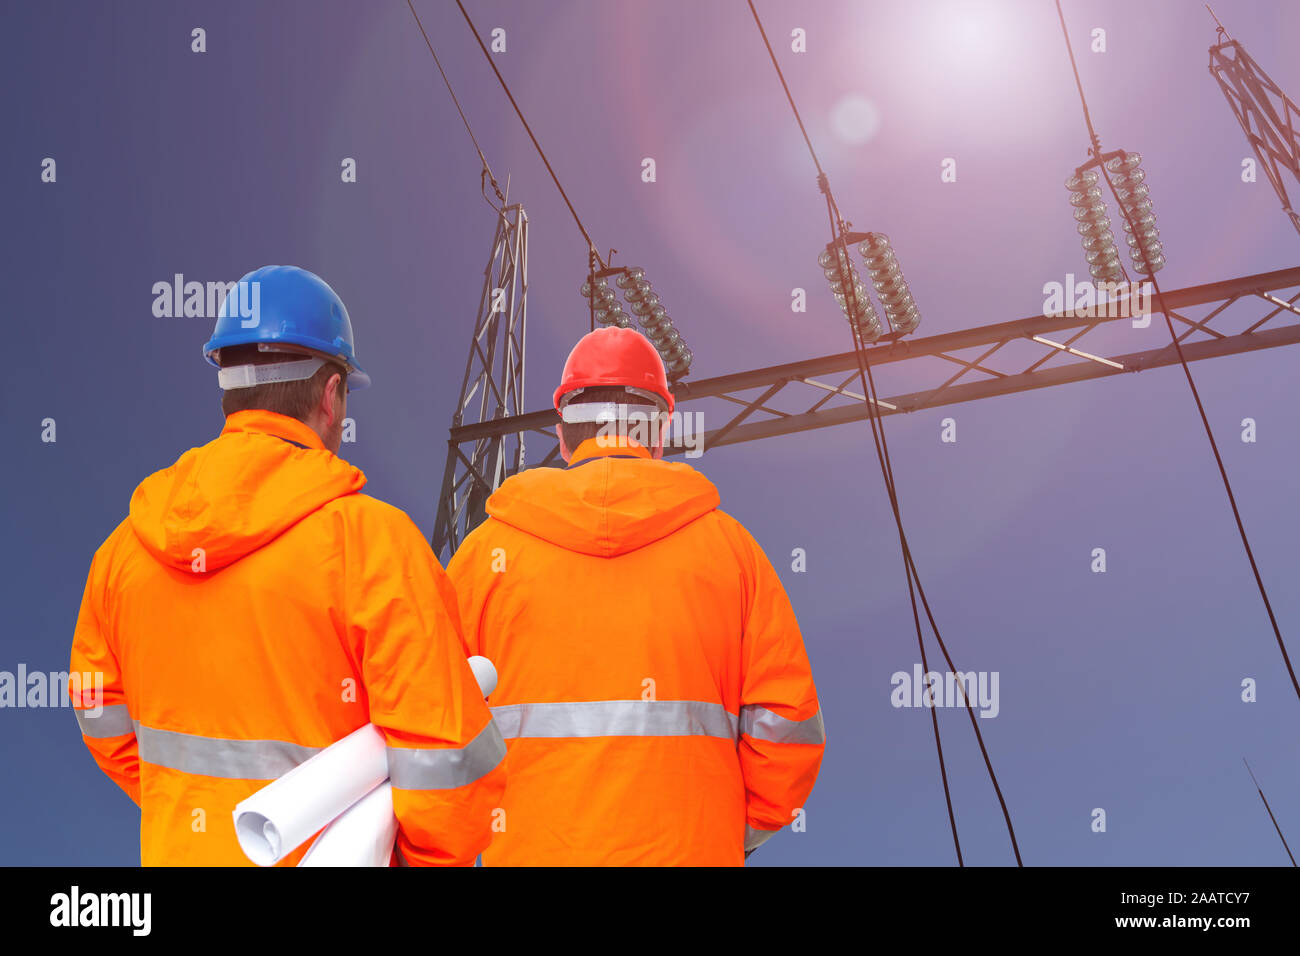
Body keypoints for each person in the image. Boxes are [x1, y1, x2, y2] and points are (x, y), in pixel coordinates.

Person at [70, 265, 505, 866]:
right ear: (330, 396)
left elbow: (98, 710)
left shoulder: (124, 552)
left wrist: (194, 816)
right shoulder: (373, 545)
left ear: (228, 385)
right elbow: (447, 763)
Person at [447, 326, 824, 865]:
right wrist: (725, 830)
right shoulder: (732, 552)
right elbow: (788, 730)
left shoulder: (484, 557)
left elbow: (433, 732)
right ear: (661, 429)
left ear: (562, 433)